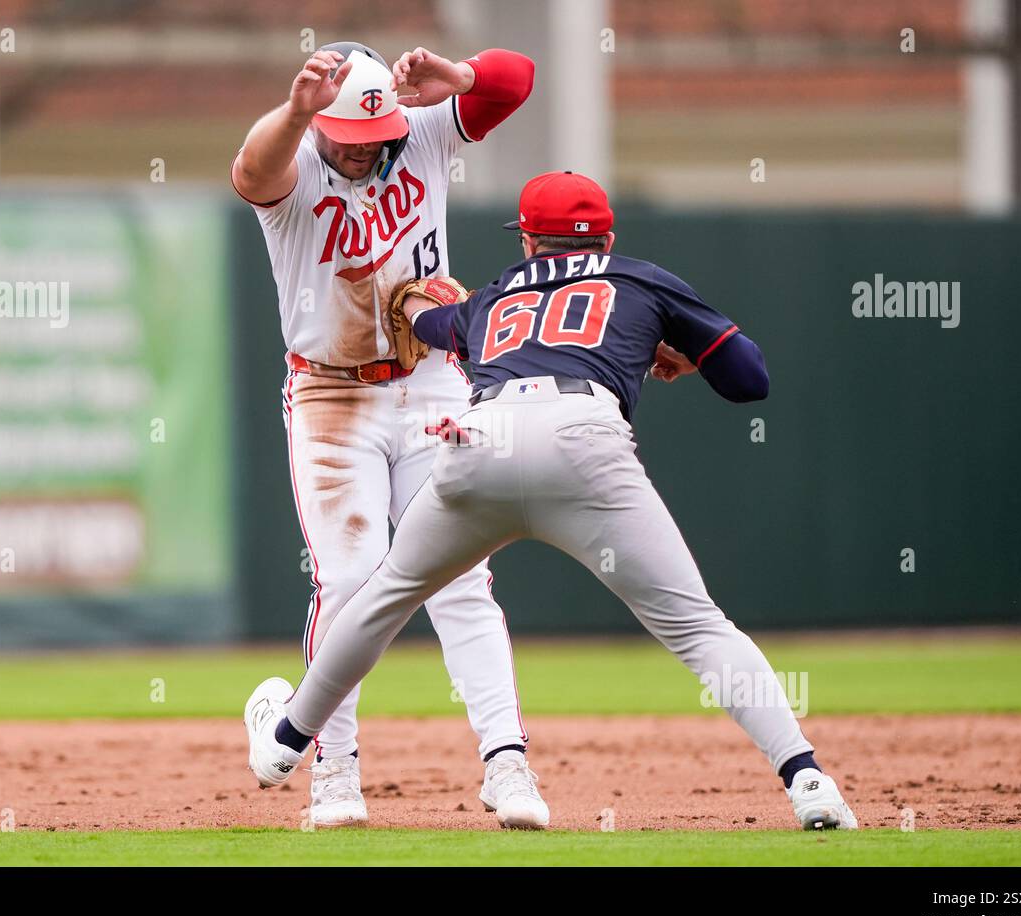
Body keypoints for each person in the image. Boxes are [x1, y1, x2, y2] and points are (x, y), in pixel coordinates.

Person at [245, 171, 859, 831]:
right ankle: (809, 784)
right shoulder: (641, 278)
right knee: (698, 628)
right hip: (581, 442)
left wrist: (414, 305)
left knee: (384, 593)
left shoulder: (497, 293)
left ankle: (286, 743)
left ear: (530, 241)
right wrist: (677, 347)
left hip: (481, 439)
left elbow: (430, 320)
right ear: (608, 235)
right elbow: (749, 381)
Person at [231, 41, 549, 828]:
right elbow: (249, 172)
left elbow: (520, 81)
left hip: (433, 379)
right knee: (349, 581)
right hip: (331, 393)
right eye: (346, 135)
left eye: (376, 136)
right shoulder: (298, 159)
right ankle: (335, 773)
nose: (363, 148)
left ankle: (507, 764)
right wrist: (299, 112)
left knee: (461, 578)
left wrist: (464, 78)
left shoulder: (421, 132)